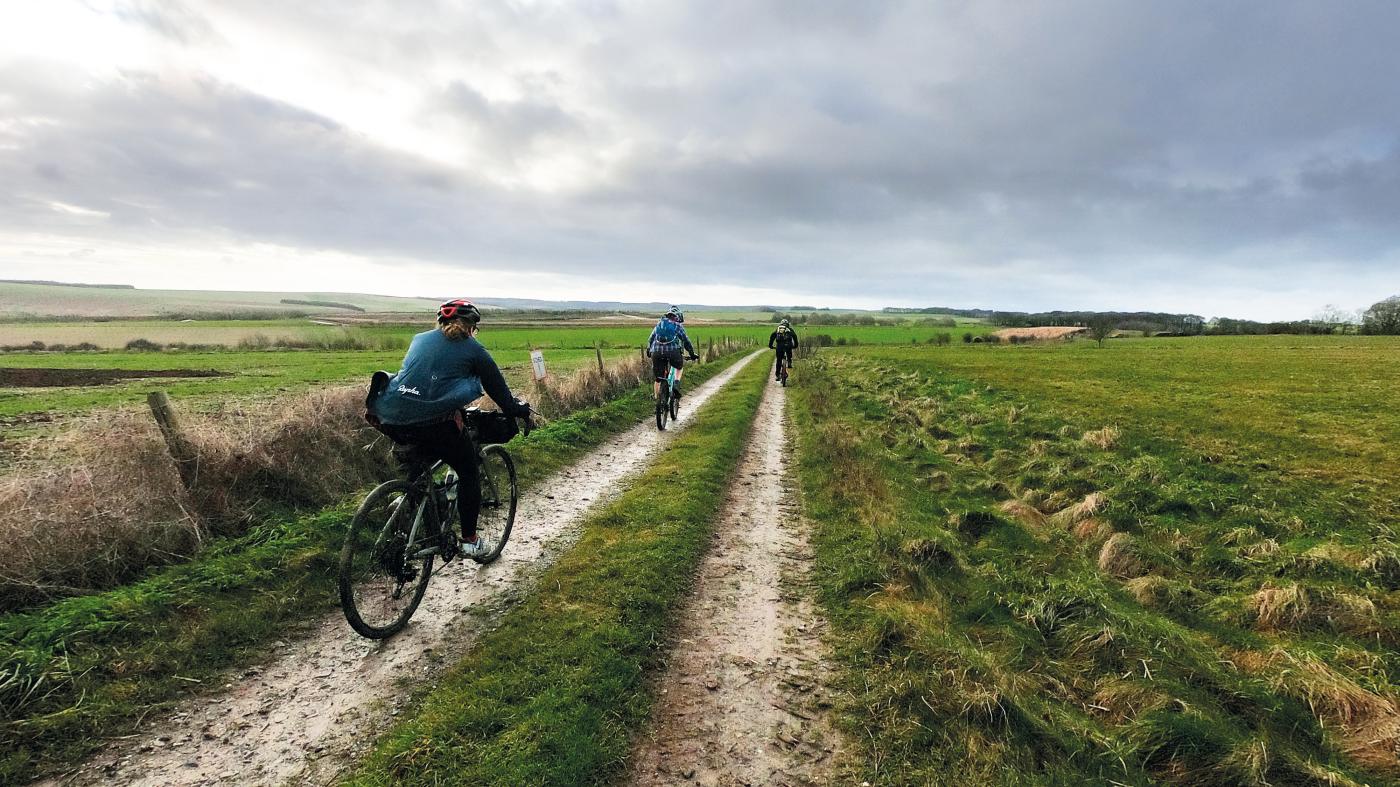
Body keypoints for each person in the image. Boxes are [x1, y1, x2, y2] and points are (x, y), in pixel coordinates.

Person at [367, 299, 530, 561]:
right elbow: (500, 393)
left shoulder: (419, 339)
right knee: (467, 469)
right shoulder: (474, 350)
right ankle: (470, 541)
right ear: (472, 327)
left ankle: (412, 502)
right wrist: (518, 410)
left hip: (391, 415)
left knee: (419, 465)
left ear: (440, 322)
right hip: (433, 422)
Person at [648, 306, 699, 399]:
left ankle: (656, 398)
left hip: (656, 352)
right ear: (678, 317)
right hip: (673, 352)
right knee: (679, 367)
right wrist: (692, 354)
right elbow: (686, 341)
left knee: (658, 378)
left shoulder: (659, 323)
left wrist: (649, 350)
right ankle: (676, 384)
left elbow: (651, 338)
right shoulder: (677, 325)